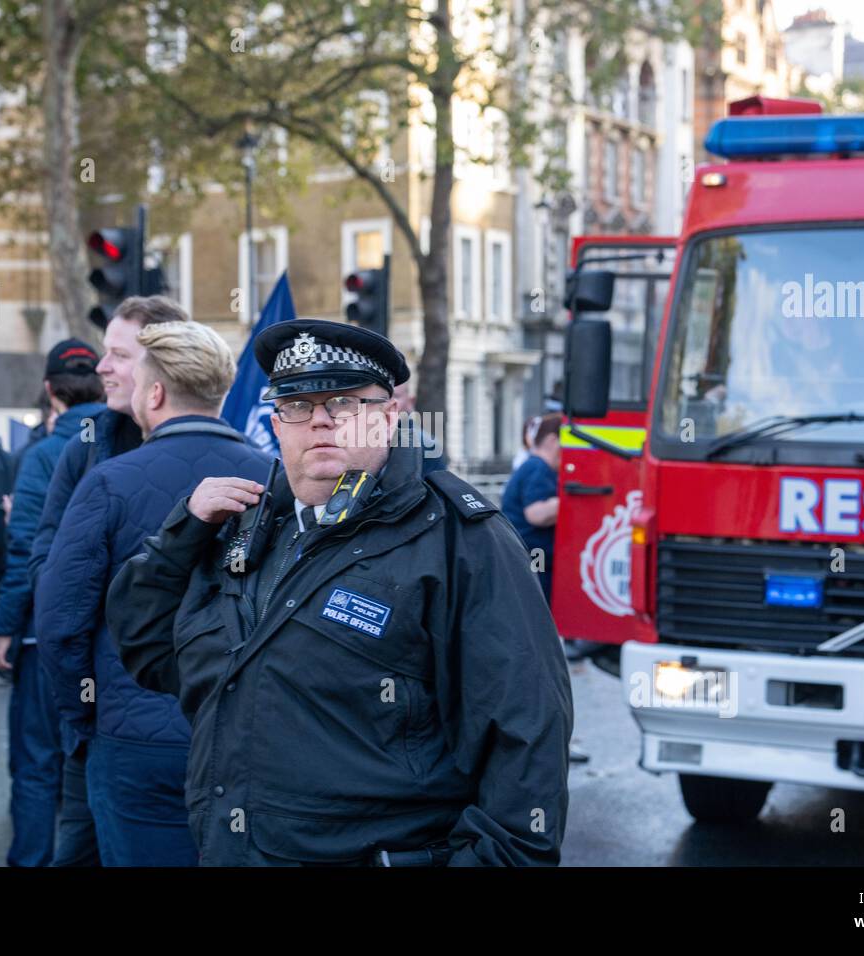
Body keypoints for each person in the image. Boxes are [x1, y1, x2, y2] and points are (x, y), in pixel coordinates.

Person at [109, 319, 573, 866]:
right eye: (299, 404)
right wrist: (181, 536)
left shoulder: (461, 540)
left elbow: (526, 733)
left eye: (346, 403)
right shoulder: (240, 526)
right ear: (277, 423)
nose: (322, 421)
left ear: (391, 415)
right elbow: (150, 652)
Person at [37, 321, 269, 866]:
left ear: (156, 393)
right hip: (243, 737)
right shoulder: (272, 477)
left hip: (133, 741)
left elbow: (58, 620)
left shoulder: (109, 482)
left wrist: (84, 714)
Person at [27, 295, 186, 867]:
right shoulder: (87, 445)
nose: (101, 368)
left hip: (188, 727)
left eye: (117, 354)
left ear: (159, 367)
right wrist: (80, 710)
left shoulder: (229, 454)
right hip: (96, 725)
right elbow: (48, 574)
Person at [0, 338, 104, 867]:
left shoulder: (42, 454)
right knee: (93, 759)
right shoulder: (126, 442)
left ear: (50, 390)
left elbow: (26, 551)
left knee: (36, 761)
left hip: (46, 633)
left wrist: (5, 628)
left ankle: (30, 860)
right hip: (109, 634)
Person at [501, 413, 563, 606]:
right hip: (534, 555)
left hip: (528, 554)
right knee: (538, 606)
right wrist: (570, 502)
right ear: (553, 440)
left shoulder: (532, 466)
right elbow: (536, 513)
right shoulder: (538, 467)